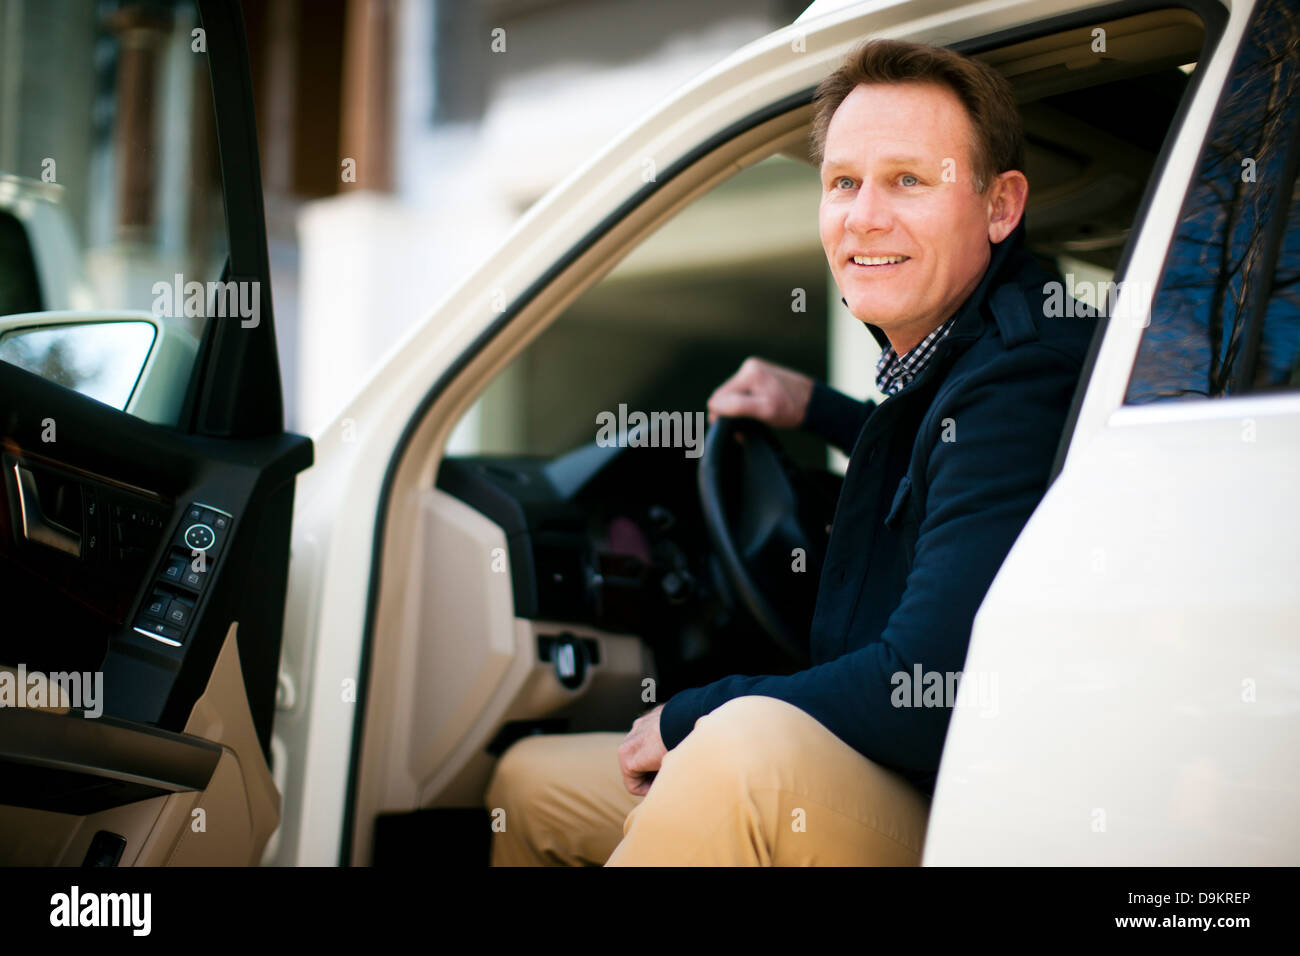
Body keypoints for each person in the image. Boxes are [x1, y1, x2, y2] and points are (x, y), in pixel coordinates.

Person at [485, 38, 1097, 865]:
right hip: (916, 784)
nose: (865, 215)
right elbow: (931, 461)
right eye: (843, 181)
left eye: (909, 180)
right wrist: (816, 407)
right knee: (529, 781)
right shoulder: (969, 359)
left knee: (741, 748)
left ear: (1000, 206)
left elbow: (919, 692)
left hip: (972, 815)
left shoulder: (1019, 381)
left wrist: (690, 712)